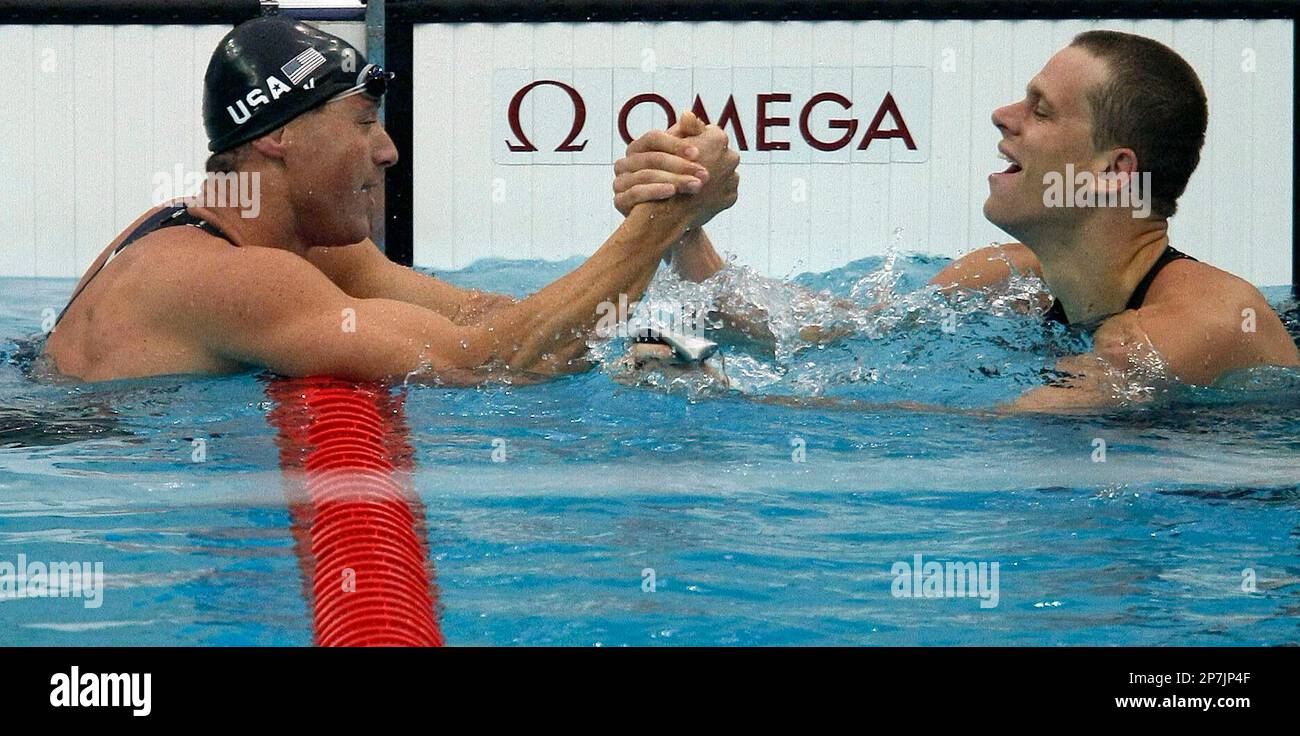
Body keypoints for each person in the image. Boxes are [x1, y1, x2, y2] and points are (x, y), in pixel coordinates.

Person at [614, 30, 1299, 410]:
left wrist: (721, 394)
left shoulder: (1190, 327)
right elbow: (819, 333)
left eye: (1040, 109)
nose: (1003, 115)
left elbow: (980, 435)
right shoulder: (1009, 277)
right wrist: (679, 223)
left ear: (1113, 172)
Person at [43, 15, 740, 383]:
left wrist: (678, 230)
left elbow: (497, 319)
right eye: (362, 123)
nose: (388, 152)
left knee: (682, 360)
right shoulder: (230, 277)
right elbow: (491, 364)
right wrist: (659, 220)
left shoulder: (274, 241)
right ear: (280, 138)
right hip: (76, 453)